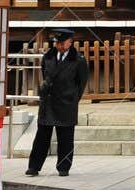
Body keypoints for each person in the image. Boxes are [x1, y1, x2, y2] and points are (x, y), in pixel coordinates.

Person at [26, 28, 89, 177]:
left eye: (62, 43)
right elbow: (45, 74)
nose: (59, 46)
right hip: (48, 100)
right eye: (57, 43)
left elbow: (81, 83)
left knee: (65, 136)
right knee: (42, 135)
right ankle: (34, 166)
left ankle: (63, 167)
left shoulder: (78, 60)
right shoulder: (48, 56)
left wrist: (73, 98)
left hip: (66, 101)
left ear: (70, 42)